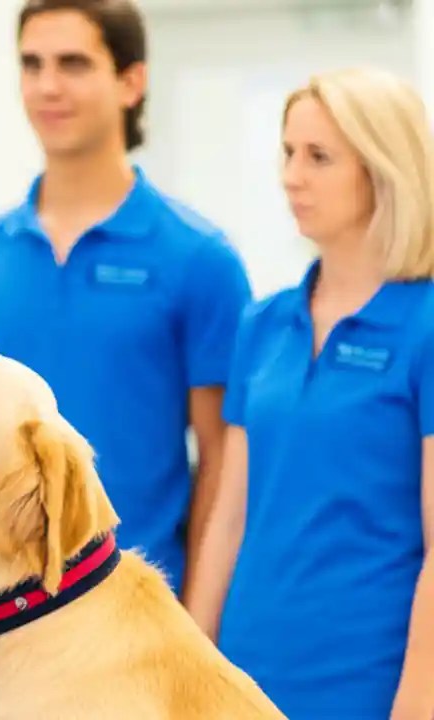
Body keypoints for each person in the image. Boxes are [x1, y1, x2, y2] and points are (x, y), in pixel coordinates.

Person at [0, 0, 253, 710]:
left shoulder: (199, 259)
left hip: (127, 626)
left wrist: (199, 626)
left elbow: (221, 460)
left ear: (131, 82)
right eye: (32, 64)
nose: (47, 87)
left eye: (73, 64)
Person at [186, 66, 434, 720]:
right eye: (289, 152)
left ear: (383, 170)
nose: (291, 176)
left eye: (319, 157)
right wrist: (187, 662)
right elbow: (229, 520)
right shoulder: (262, 327)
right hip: (243, 676)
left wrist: (419, 699)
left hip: (369, 680)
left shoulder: (425, 327)